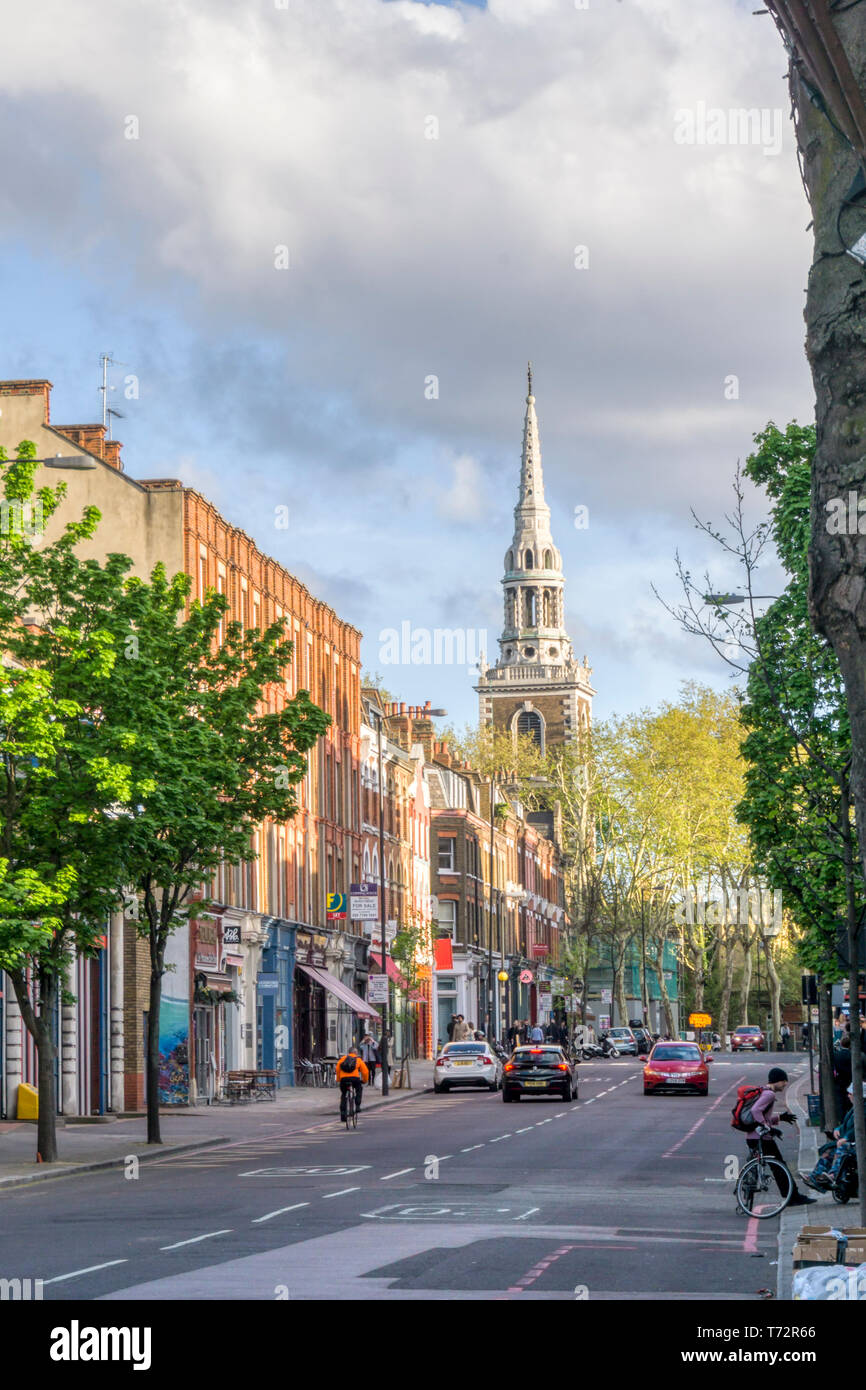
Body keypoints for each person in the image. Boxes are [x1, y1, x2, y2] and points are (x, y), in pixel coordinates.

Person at [746, 1066, 816, 1206]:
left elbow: (763, 1116)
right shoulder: (769, 1094)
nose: (785, 1084)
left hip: (752, 1137)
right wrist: (767, 1128)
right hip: (762, 1138)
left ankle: (749, 1190)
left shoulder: (763, 1091)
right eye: (784, 1081)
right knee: (780, 1166)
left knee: (772, 1166)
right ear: (777, 1081)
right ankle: (792, 1197)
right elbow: (755, 1111)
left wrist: (779, 1118)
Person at [803, 1080, 866, 1191]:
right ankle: (815, 1177)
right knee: (828, 1151)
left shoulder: (863, 1110)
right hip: (852, 1142)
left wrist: (846, 1138)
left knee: (842, 1148)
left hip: (859, 1144)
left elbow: (860, 1127)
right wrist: (838, 1129)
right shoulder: (854, 1109)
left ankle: (833, 1175)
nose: (848, 1096)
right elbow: (846, 1125)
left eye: (850, 1094)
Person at [336, 1046, 369, 1120]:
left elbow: (337, 1069)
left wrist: (339, 1079)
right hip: (355, 1079)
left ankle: (343, 1113)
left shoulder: (343, 1059)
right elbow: (365, 1071)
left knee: (344, 1094)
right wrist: (364, 1080)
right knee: (359, 1089)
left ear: (349, 1052)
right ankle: (357, 1106)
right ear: (355, 1053)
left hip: (343, 1079)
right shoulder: (358, 1060)